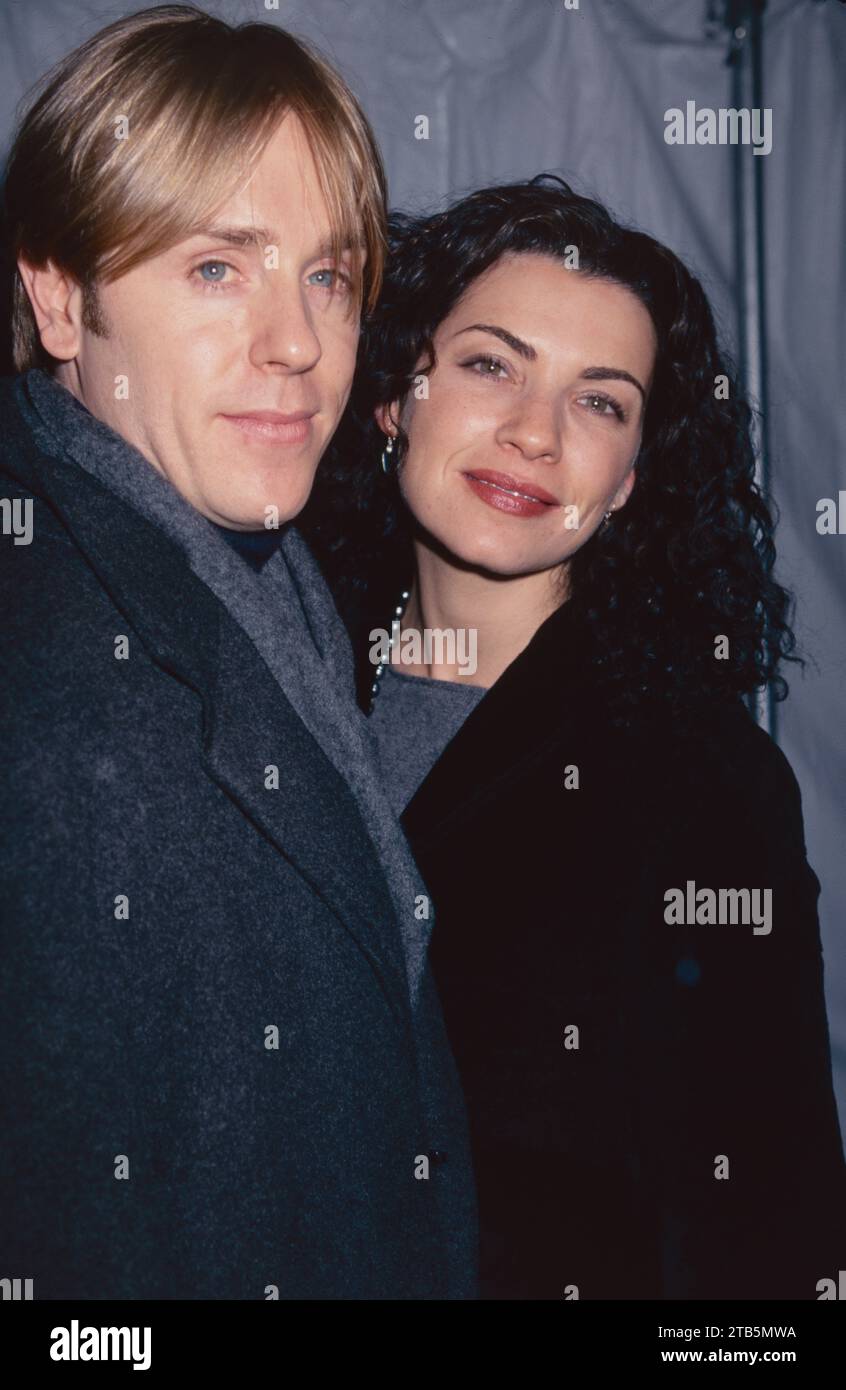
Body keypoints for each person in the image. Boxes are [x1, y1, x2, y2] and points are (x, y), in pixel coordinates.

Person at [0, 6, 477, 1300]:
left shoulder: (244, 565)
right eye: (219, 267)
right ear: (57, 295)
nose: (300, 342)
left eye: (325, 274)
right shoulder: (59, 681)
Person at [302, 175, 846, 1299]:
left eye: (600, 402)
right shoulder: (279, 672)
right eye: (491, 363)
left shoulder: (702, 782)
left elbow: (764, 1211)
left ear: (632, 479)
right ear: (394, 392)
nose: (534, 434)